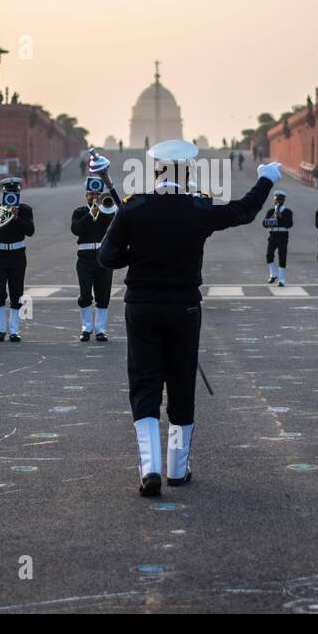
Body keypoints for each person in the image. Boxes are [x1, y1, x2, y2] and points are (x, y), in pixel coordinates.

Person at [98, 141, 278, 496]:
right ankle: (177, 469)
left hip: (143, 306)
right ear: (188, 172)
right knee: (181, 384)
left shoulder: (134, 208)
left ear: (155, 172)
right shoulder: (197, 208)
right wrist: (266, 179)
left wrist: (134, 255)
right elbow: (244, 211)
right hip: (184, 308)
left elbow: (106, 257)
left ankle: (149, 468)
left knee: (145, 385)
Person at [70, 159, 120, 341]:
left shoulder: (107, 211)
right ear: (86, 196)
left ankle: (100, 330)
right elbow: (76, 229)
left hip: (102, 258)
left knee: (103, 295)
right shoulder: (79, 212)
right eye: (91, 194)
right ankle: (86, 327)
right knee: (84, 295)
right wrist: (90, 214)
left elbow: (115, 224)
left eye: (96, 194)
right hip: (84, 259)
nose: (94, 197)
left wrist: (101, 211)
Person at [0, 177, 35, 342]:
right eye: (8, 193)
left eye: (14, 192)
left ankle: (14, 330)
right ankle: (0, 329)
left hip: (17, 255)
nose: (11, 195)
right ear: (3, 194)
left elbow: (30, 231)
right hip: (0, 255)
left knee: (17, 293)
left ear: (19, 193)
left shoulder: (25, 210)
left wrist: (17, 218)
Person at [263, 190, 293, 286]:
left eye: (280, 200)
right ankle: (273, 274)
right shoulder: (270, 211)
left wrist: (281, 217)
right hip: (273, 235)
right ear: (274, 201)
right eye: (276, 200)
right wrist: (272, 216)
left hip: (283, 235)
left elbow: (289, 224)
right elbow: (264, 224)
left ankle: (281, 279)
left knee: (282, 256)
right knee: (269, 255)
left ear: (283, 201)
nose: (278, 202)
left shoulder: (287, 211)